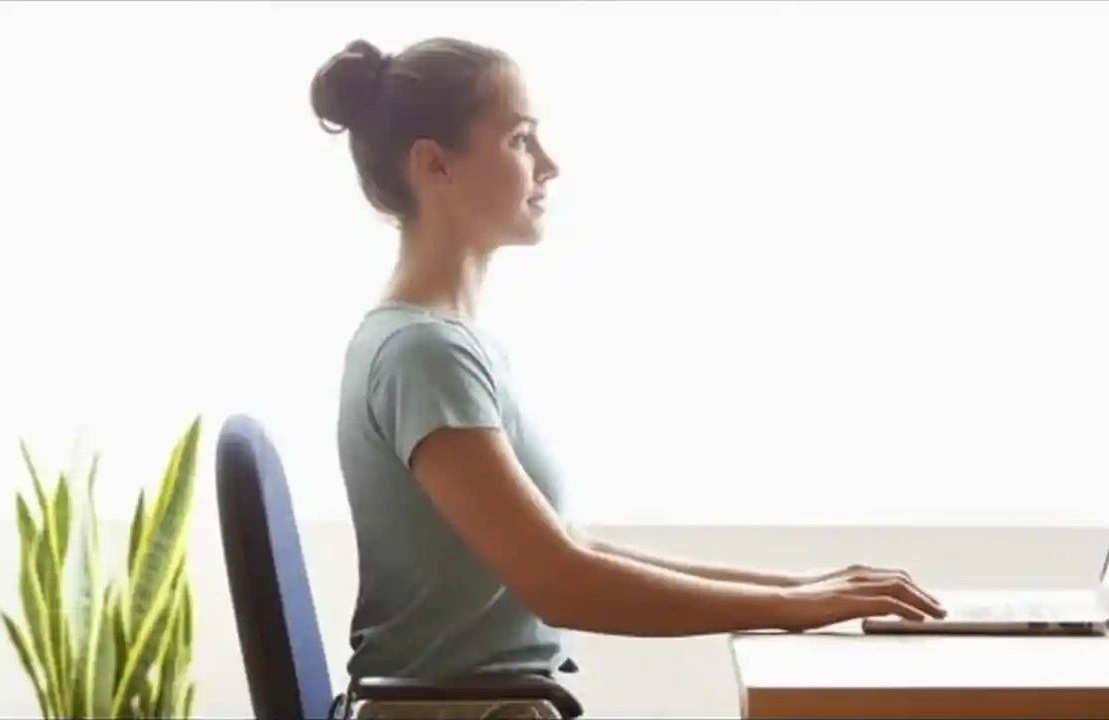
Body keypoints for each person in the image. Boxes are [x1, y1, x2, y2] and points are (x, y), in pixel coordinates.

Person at [313, 36, 947, 685]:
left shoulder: (443, 343)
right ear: (435, 165)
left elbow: (571, 547)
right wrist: (792, 608)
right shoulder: (423, 354)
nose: (549, 164)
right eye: (520, 140)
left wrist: (806, 588)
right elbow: (562, 584)